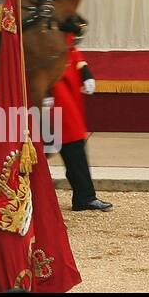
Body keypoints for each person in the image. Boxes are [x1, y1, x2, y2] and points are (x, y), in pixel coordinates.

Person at [46, 33, 112, 212]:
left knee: (71, 146)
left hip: (65, 86)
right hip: (52, 90)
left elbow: (70, 47)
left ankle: (85, 197)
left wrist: (84, 70)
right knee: (38, 152)